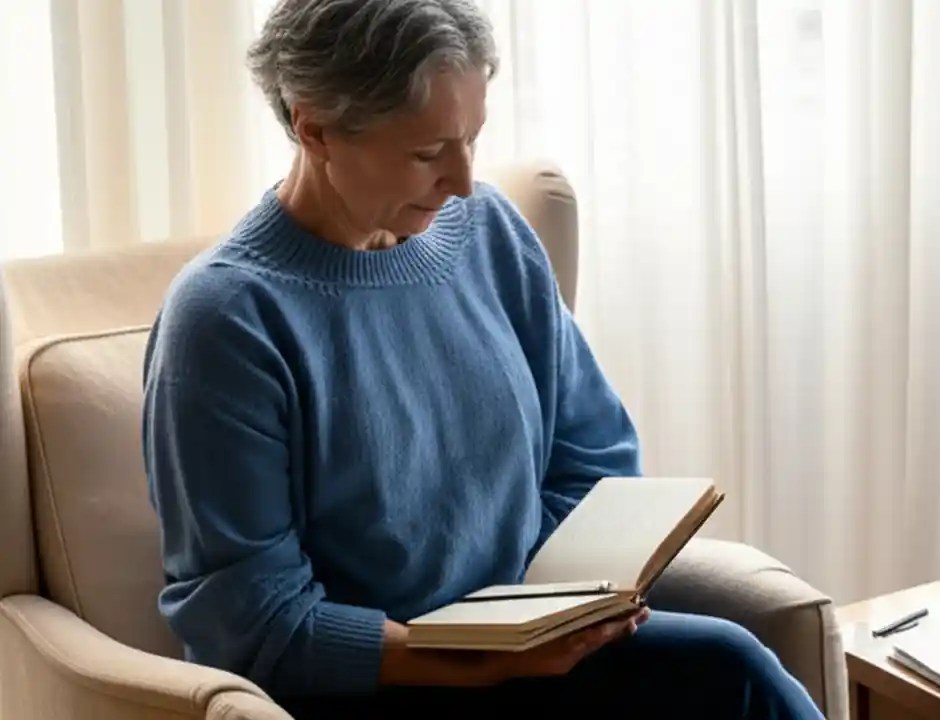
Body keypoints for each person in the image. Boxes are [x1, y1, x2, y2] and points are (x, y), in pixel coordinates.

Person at [140, 1, 824, 718]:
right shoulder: (225, 323)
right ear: (314, 128)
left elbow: (592, 456)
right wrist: (473, 659)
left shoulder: (490, 233)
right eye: (428, 153)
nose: (463, 180)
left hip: (533, 656)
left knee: (733, 669)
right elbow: (247, 618)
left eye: (472, 138)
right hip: (375, 685)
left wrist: (547, 609)